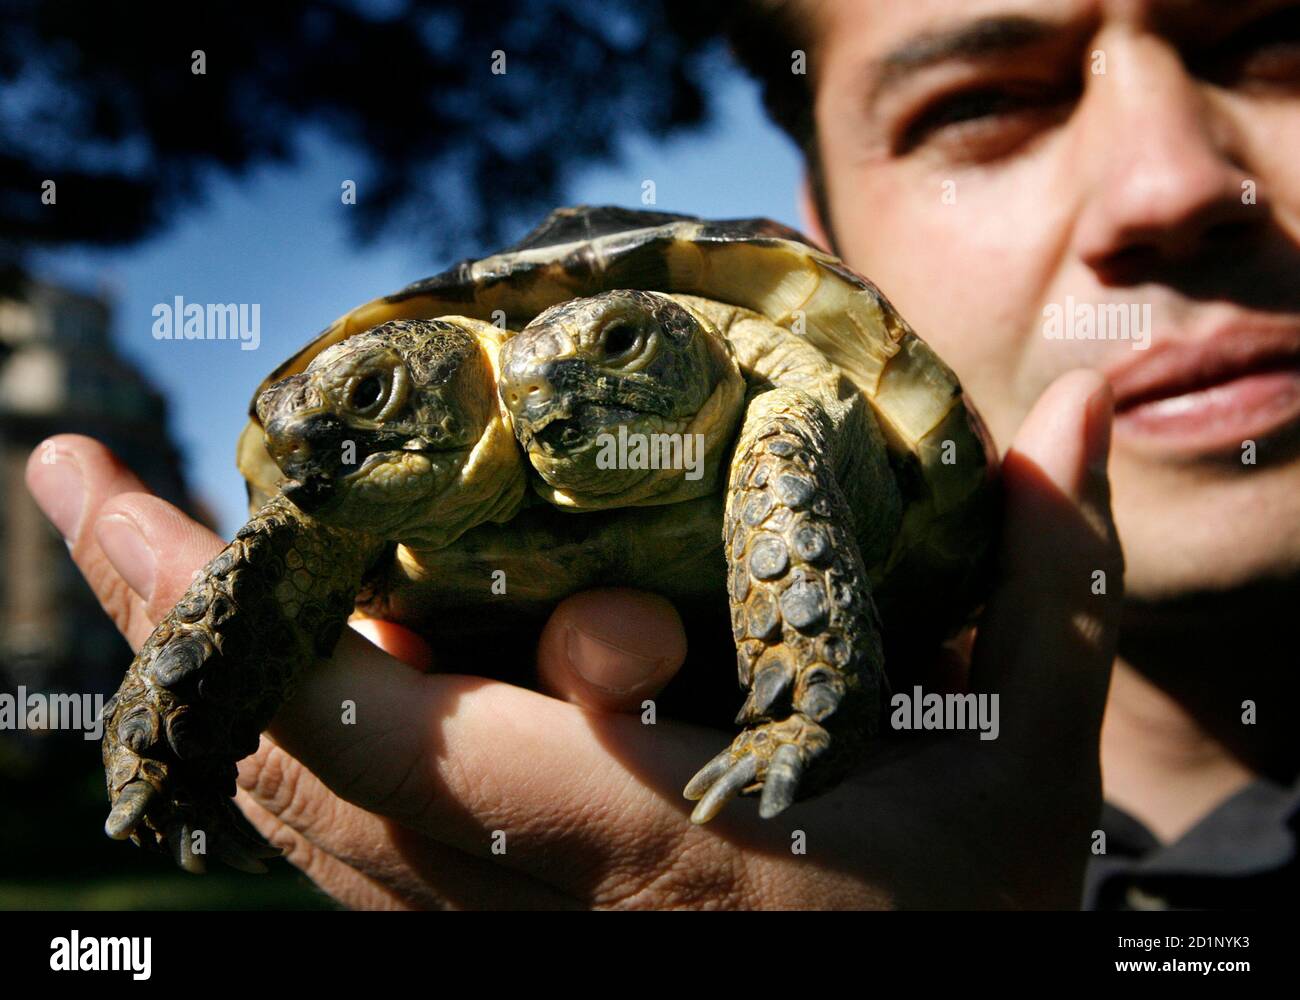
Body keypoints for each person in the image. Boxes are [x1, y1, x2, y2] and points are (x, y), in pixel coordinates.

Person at [26, 0, 1296, 908]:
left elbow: (776, 437)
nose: (1167, 189)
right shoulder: (394, 455)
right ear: (830, 218)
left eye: (1275, 42)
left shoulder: (777, 390)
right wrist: (187, 719)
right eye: (983, 103)